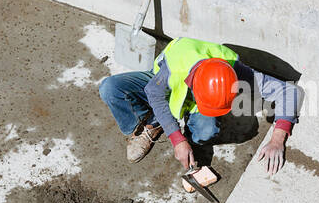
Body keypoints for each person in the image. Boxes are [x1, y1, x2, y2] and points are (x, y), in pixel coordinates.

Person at [98, 36, 299, 174]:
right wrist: (176, 138)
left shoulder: (236, 71)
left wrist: (277, 139)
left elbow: (288, 91)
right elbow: (154, 93)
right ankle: (152, 124)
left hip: (195, 92)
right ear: (193, 85)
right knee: (110, 88)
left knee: (205, 133)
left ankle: (186, 134)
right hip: (164, 81)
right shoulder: (174, 69)